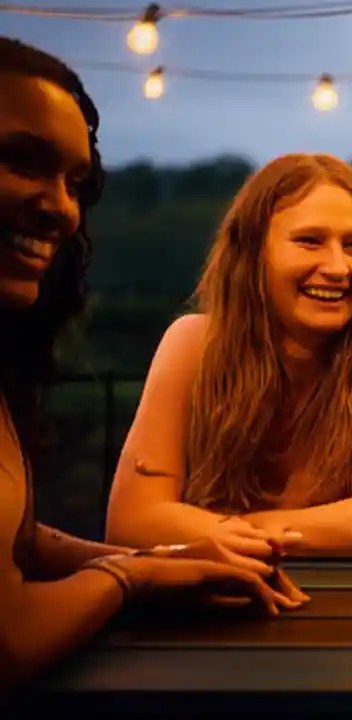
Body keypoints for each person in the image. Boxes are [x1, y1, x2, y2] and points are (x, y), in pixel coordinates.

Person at [0, 37, 306, 691]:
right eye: (21, 161)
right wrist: (134, 575)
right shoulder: (193, 339)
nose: (59, 206)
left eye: (76, 183)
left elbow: (17, 541)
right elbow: (9, 641)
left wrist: (169, 558)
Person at [105, 154, 352, 559]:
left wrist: (213, 528)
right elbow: (131, 521)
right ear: (252, 252)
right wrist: (336, 527)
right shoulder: (193, 344)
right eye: (310, 241)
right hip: (215, 607)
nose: (337, 267)